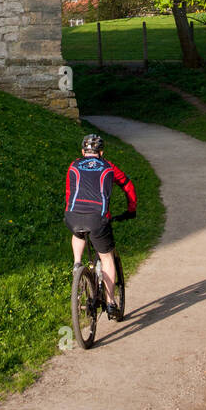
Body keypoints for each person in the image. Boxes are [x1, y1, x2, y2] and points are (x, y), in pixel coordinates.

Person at [64, 132, 137, 318]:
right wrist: (131, 209)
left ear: (83, 151)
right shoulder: (108, 167)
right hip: (97, 218)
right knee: (107, 258)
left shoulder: (73, 165)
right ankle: (111, 302)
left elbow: (69, 193)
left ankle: (77, 264)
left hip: (73, 216)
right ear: (101, 153)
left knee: (78, 232)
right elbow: (128, 185)